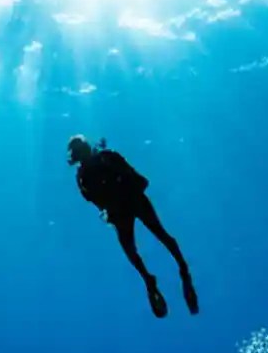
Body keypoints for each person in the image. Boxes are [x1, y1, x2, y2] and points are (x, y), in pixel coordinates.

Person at [67, 134, 198, 318]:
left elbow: (126, 178)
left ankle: (173, 270)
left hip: (128, 203)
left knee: (153, 239)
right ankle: (156, 276)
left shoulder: (102, 161)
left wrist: (111, 206)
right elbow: (95, 198)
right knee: (139, 247)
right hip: (125, 206)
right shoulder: (87, 172)